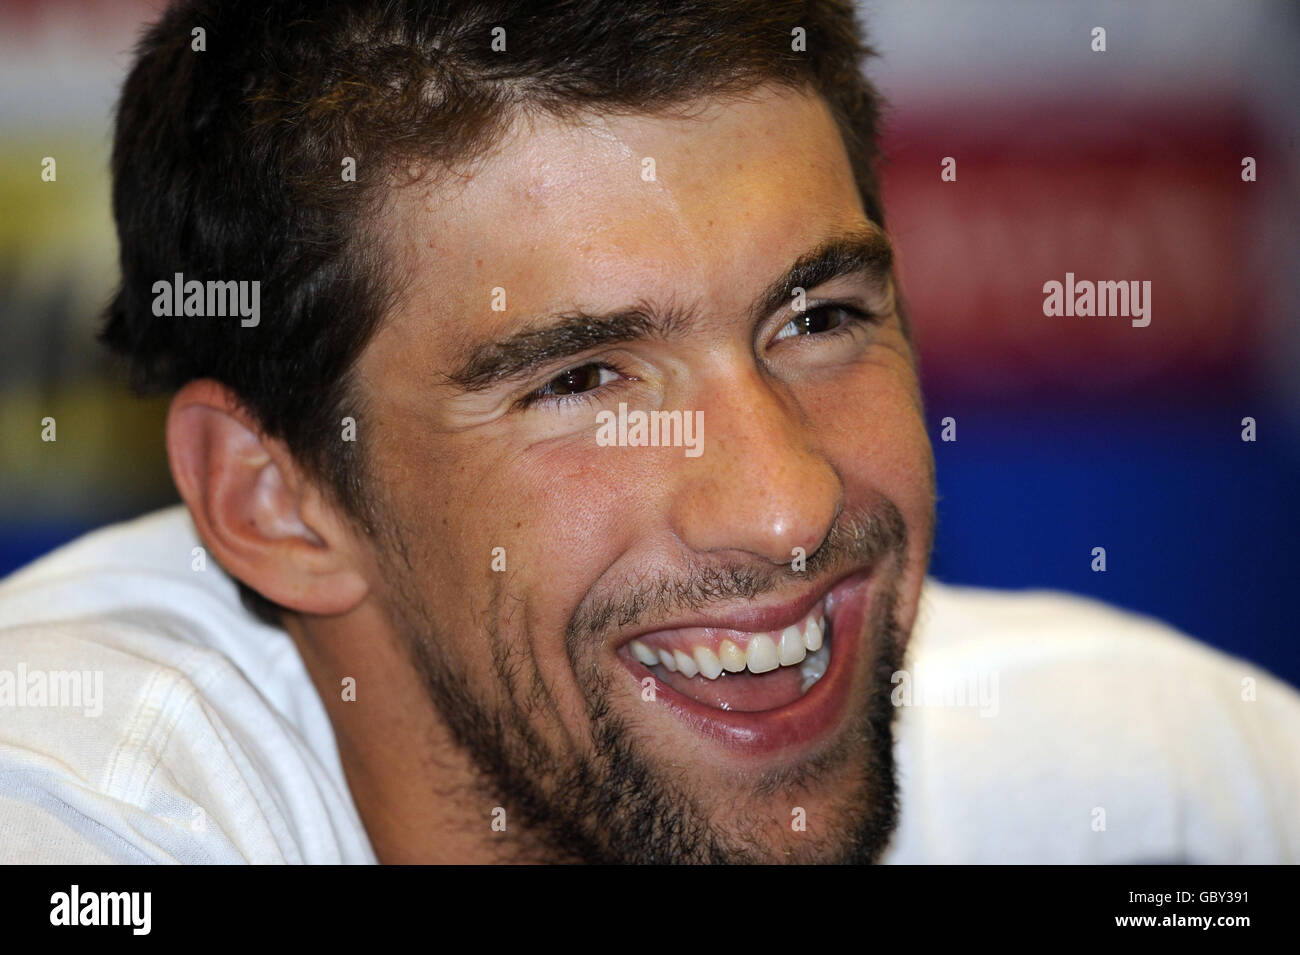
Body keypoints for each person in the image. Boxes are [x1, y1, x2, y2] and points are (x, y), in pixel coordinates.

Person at [1, 0, 1296, 864]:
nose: (787, 504)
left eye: (819, 317)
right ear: (273, 503)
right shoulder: (69, 805)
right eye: (583, 380)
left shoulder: (1160, 796)